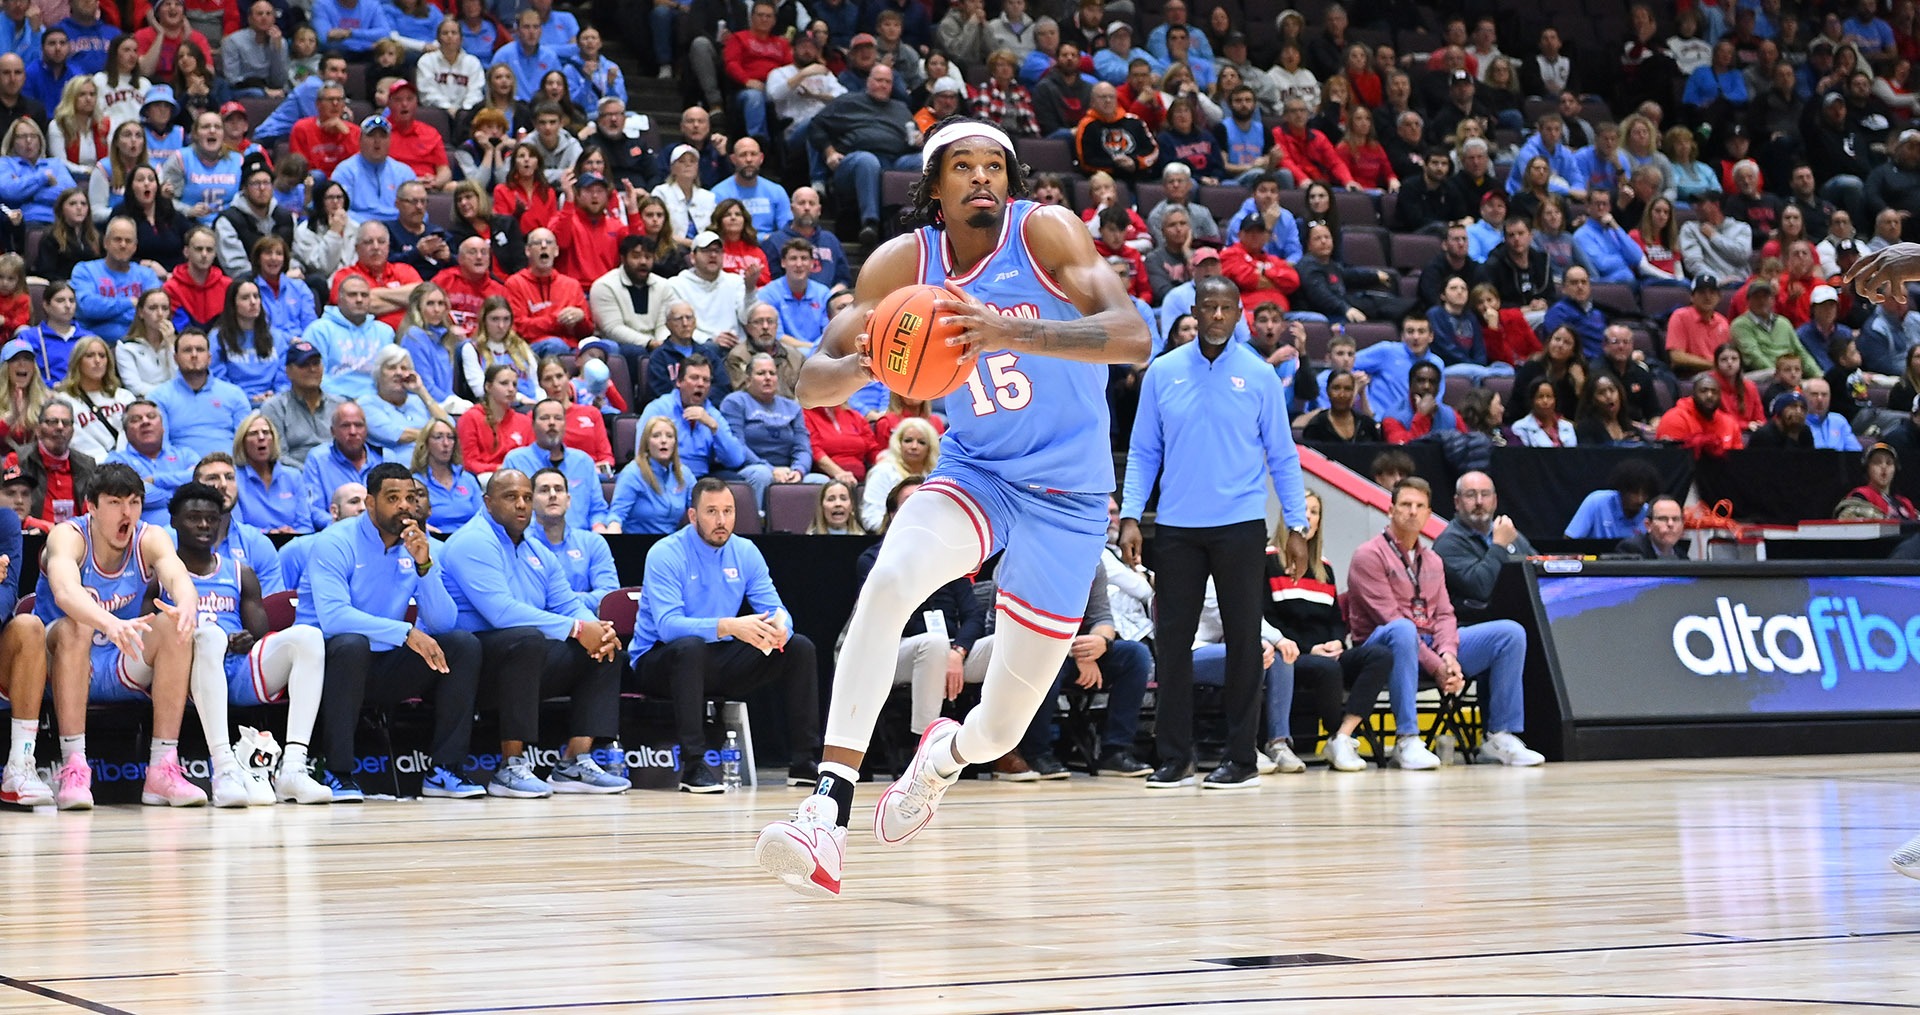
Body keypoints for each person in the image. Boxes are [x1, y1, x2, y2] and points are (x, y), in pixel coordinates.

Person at [753, 117, 1149, 896]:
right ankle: (826, 812)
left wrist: (1008, 331)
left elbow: (1134, 336)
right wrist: (872, 360)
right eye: (962, 166)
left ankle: (942, 757)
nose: (981, 178)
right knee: (889, 580)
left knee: (1000, 725)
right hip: (979, 473)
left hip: (1069, 499)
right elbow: (812, 382)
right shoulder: (906, 264)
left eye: (994, 166)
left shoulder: (1047, 233)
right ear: (934, 187)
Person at [1117, 274, 1308, 789]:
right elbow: (1144, 451)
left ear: (1239, 314)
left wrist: (1297, 525)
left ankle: (1242, 759)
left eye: (1226, 307)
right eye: (1209, 307)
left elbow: (1283, 455)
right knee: (1173, 642)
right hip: (1177, 527)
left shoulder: (1259, 376)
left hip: (1240, 527)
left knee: (1245, 642)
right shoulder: (1163, 372)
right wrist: (1131, 515)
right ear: (1195, 312)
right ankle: (1175, 758)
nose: (1217, 315)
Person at [298, 462, 485, 802]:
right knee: (351, 644)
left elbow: (443, 622)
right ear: (370, 503)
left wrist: (424, 565)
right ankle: (337, 771)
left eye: (410, 498)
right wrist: (406, 633)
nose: (404, 506)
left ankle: (445, 770)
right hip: (327, 665)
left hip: (383, 663)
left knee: (462, 645)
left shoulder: (418, 546)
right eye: (393, 498)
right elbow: (334, 619)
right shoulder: (334, 542)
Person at [439, 468, 628, 798]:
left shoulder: (536, 550)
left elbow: (567, 603)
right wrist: (577, 629)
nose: (521, 505)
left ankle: (573, 762)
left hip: (523, 657)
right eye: (511, 497)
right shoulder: (473, 541)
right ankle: (510, 766)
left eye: (527, 497)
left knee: (605, 649)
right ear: (488, 502)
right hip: (469, 665)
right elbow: (501, 612)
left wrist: (596, 630)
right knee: (525, 639)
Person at [35, 462, 206, 810]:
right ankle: (73, 768)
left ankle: (162, 769)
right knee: (78, 625)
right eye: (115, 502)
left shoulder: (149, 537)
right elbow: (65, 592)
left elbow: (178, 576)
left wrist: (188, 603)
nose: (127, 513)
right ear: (91, 506)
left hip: (119, 656)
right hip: (61, 663)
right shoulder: (68, 535)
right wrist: (108, 623)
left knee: (175, 625)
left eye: (134, 502)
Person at [633, 476, 819, 793]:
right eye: (712, 512)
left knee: (799, 647)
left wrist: (779, 629)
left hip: (716, 657)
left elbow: (776, 608)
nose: (722, 520)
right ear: (693, 516)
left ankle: (804, 761)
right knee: (690, 648)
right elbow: (668, 626)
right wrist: (730, 626)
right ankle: (694, 766)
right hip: (658, 660)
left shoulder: (745, 551)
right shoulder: (665, 553)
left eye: (728, 511)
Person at [1345, 477, 1544, 770]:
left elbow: (1445, 615)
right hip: (1381, 648)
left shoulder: (1432, 559)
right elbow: (1390, 618)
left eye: (1420, 506)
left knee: (1509, 634)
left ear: (1429, 513)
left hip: (1429, 645)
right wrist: (1438, 666)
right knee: (1403, 629)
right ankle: (1407, 739)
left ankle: (1499, 736)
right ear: (1390, 510)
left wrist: (1448, 654)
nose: (1412, 512)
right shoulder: (1369, 555)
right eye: (1405, 505)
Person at [808, 64, 918, 246]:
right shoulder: (848, 102)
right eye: (879, 80)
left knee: (925, 160)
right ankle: (870, 224)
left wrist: (918, 140)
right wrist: (830, 152)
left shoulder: (901, 109)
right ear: (868, 81)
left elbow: (912, 137)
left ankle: (927, 221)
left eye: (887, 82)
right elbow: (815, 125)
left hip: (894, 161)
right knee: (868, 161)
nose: (883, 85)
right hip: (853, 162)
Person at [499, 398, 611, 532]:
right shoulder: (515, 461)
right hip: (530, 539)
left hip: (580, 538)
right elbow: (509, 511)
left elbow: (598, 509)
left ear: (565, 424)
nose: (552, 423)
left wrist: (598, 526)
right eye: (545, 418)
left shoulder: (583, 461)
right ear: (533, 425)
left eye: (558, 418)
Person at [1433, 471, 1537, 611]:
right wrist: (1499, 545)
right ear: (1457, 502)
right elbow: (1481, 589)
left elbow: (1537, 567)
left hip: (1519, 610)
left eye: (1485, 494)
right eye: (1471, 495)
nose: (1479, 502)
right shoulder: (1448, 543)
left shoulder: (1507, 533)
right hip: (1478, 618)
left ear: (1495, 500)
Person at [150, 329, 246, 458]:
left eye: (200, 350)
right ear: (175, 358)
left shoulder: (234, 394)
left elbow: (245, 442)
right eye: (187, 350)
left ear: (209, 358)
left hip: (229, 466)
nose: (194, 355)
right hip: (181, 467)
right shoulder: (159, 397)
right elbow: (161, 447)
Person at [72, 216, 160, 343]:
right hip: (95, 345)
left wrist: (105, 315)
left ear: (135, 246)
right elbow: (88, 307)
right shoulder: (85, 270)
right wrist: (130, 303)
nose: (123, 245)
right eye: (117, 239)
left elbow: (154, 313)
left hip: (138, 345)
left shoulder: (147, 275)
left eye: (128, 241)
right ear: (105, 243)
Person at [260, 339, 342, 469]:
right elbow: (278, 455)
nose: (312, 369)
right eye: (304, 365)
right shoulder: (274, 408)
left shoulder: (340, 405)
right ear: (288, 371)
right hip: (295, 475)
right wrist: (312, 474)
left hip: (339, 471)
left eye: (316, 363)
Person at [299, 400, 374, 529]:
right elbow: (313, 509)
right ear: (333, 431)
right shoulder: (318, 459)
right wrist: (341, 527)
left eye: (358, 425)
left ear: (366, 430)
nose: (353, 431)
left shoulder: (385, 457)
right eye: (345, 426)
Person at [233, 412, 308, 533]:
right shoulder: (233, 479)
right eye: (253, 433)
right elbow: (235, 528)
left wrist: (294, 533)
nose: (261, 437)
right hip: (253, 543)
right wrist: (267, 533)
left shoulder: (293, 476)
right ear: (242, 442)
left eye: (266, 432)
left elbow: (306, 525)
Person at [1656, 372, 1745, 457]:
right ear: (1693, 394)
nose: (1709, 395)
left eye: (1714, 391)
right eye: (1703, 391)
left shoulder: (1730, 423)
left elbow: (1738, 461)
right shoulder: (1674, 419)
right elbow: (1672, 462)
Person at [1836, 442, 1918, 520]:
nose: (1884, 467)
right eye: (1877, 462)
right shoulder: (1860, 496)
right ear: (1867, 468)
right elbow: (1846, 517)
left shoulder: (1904, 503)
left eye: (1889, 463)